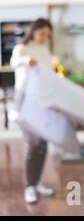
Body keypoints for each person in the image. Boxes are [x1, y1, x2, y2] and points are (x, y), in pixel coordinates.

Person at [10, 18, 56, 204]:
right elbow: (15, 62)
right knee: (32, 145)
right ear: (34, 31)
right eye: (42, 34)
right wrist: (25, 60)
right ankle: (29, 186)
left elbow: (49, 73)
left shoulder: (44, 50)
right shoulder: (22, 48)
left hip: (43, 101)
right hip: (26, 102)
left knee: (43, 145)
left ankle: (37, 183)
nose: (44, 38)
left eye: (47, 35)